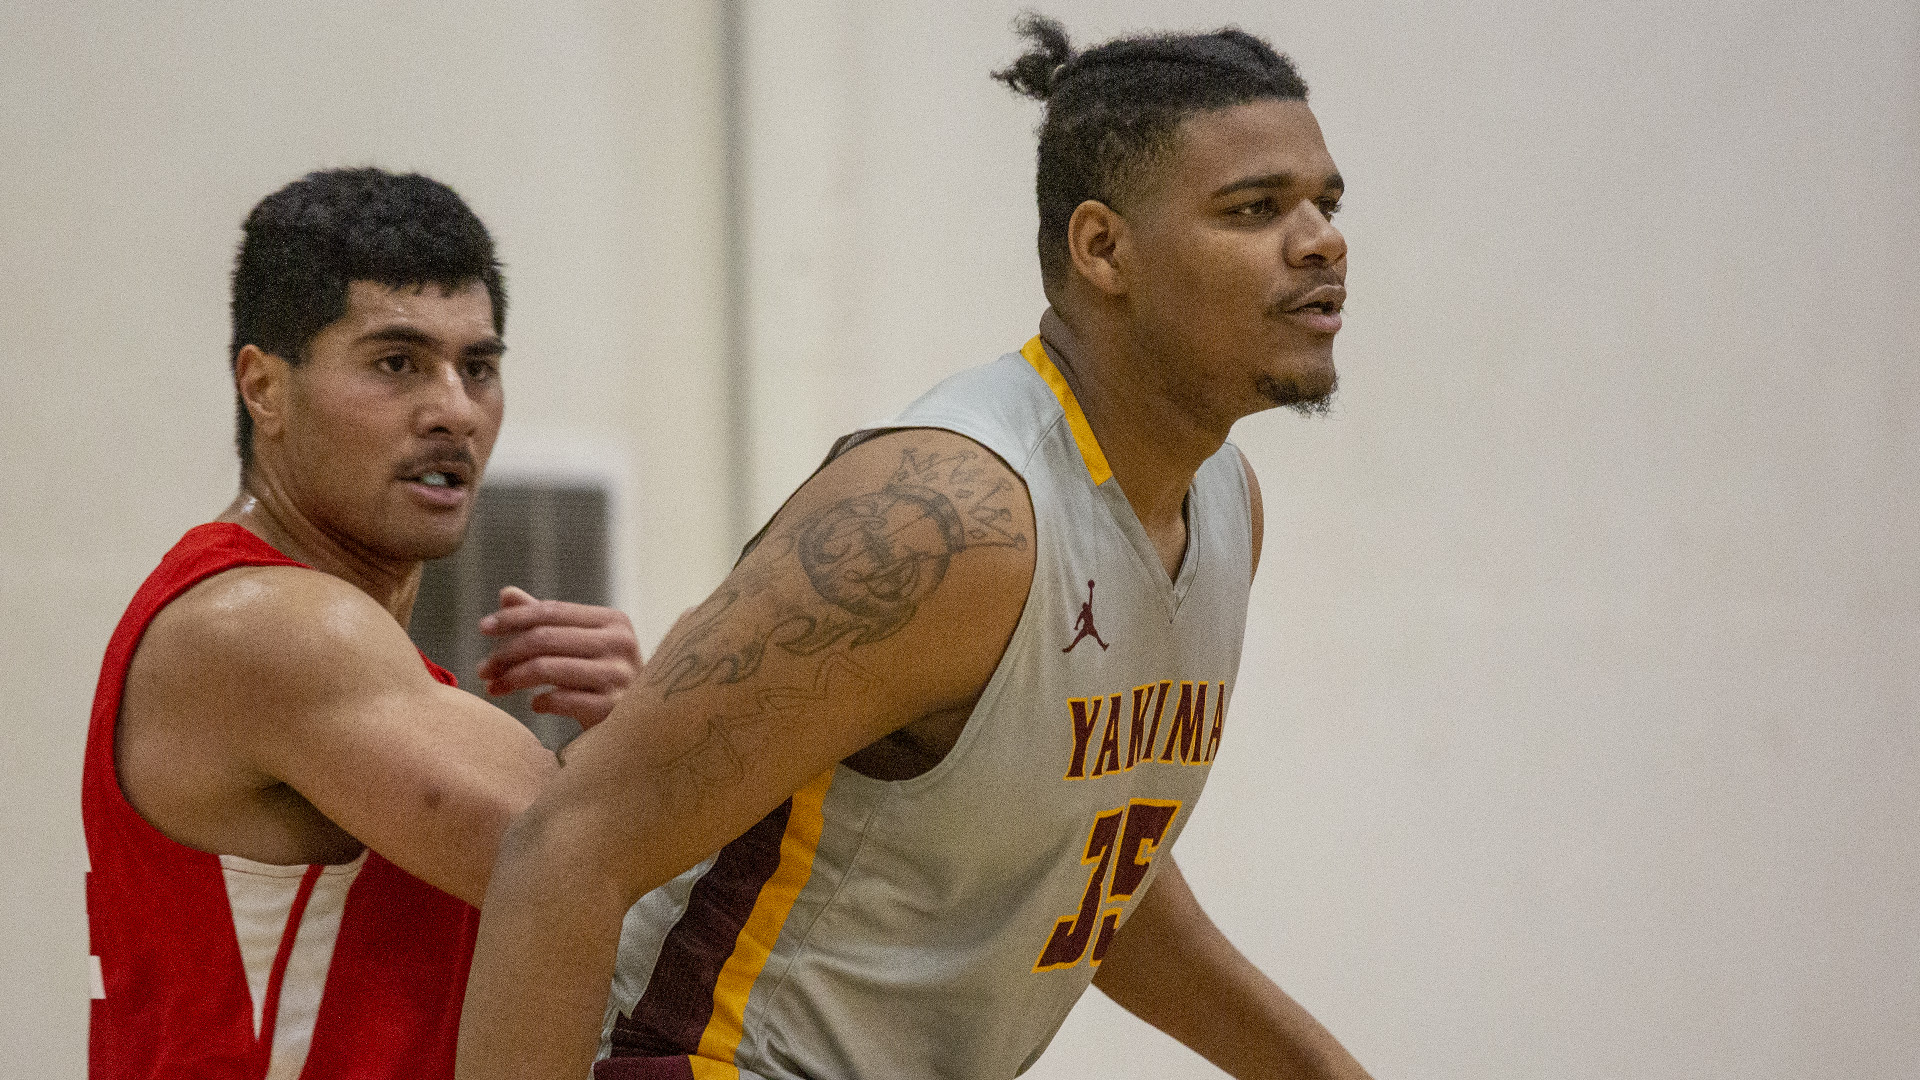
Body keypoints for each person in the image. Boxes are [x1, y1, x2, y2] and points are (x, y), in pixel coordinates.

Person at [459, 16, 1372, 1080]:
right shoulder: (951, 518)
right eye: (1256, 209)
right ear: (1103, 249)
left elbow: (1079, 868)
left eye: (1326, 203)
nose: (1320, 240)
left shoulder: (1224, 505)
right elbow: (562, 851)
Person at [83, 168, 644, 1080]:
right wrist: (660, 717)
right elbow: (582, 881)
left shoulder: (340, 650)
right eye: (397, 363)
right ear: (263, 387)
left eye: (479, 368)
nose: (454, 412)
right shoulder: (268, 628)